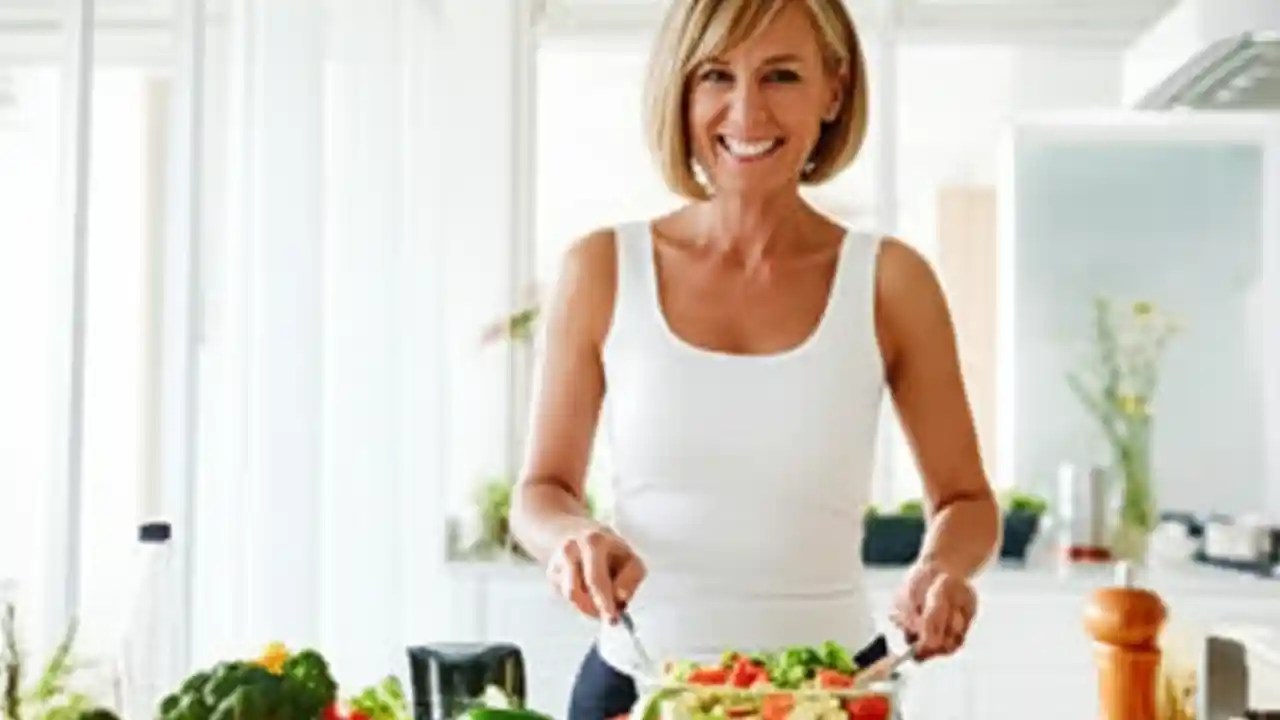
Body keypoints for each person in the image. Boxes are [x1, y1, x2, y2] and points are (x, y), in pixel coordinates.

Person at [510, 1, 1000, 718]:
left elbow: (966, 501)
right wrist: (572, 537)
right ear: (681, 90)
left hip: (835, 692)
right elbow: (540, 492)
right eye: (716, 75)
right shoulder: (603, 269)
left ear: (833, 89)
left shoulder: (890, 280)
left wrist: (942, 568)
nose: (745, 112)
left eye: (780, 76)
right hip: (643, 688)